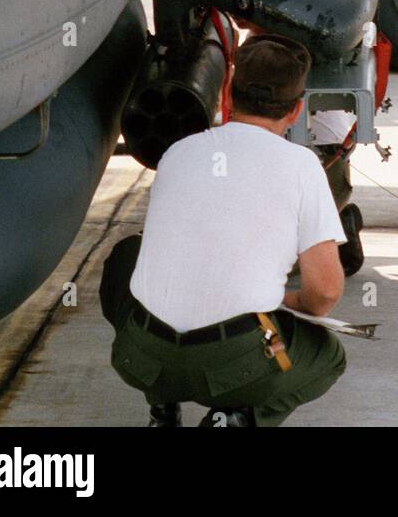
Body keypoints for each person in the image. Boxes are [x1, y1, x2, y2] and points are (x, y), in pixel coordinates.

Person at [100, 35, 347, 428]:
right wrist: (287, 301)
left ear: (228, 91)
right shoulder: (302, 167)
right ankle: (235, 420)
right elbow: (326, 291)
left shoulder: (179, 152)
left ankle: (162, 407)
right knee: (327, 357)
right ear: (297, 109)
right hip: (237, 364)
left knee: (126, 254)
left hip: (142, 359)